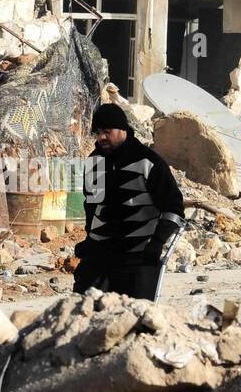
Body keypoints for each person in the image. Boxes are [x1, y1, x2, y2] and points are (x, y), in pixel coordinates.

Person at [72, 103, 185, 301]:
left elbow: (174, 209)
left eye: (107, 131)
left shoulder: (148, 162)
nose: (101, 138)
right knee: (82, 311)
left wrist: (156, 244)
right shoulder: (95, 162)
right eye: (98, 132)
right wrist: (91, 239)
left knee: (132, 318)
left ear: (123, 129)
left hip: (137, 255)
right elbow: (93, 207)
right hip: (100, 254)